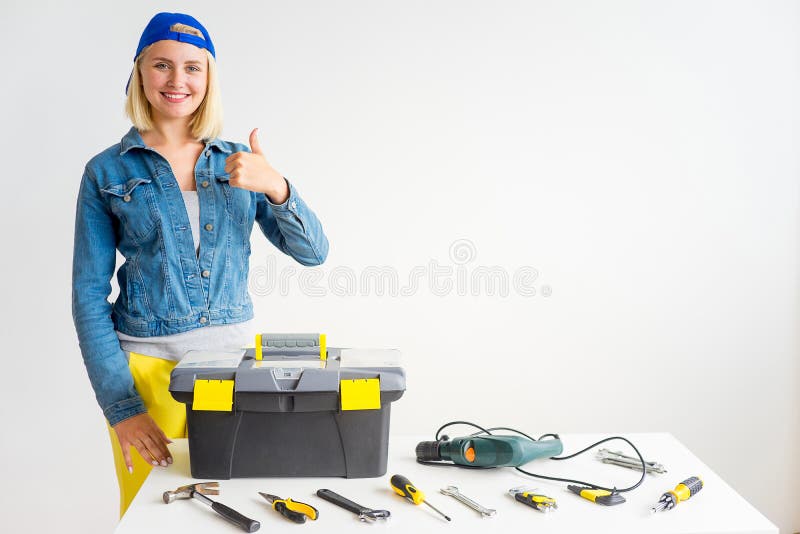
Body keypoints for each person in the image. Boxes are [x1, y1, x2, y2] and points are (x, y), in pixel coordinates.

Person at [71, 12, 328, 516]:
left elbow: (313, 253)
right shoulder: (105, 171)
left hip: (233, 376)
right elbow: (87, 296)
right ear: (139, 73)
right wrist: (123, 409)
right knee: (157, 516)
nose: (177, 80)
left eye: (193, 67)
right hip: (146, 376)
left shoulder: (238, 162)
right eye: (162, 65)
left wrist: (277, 186)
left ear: (209, 78)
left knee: (241, 510)